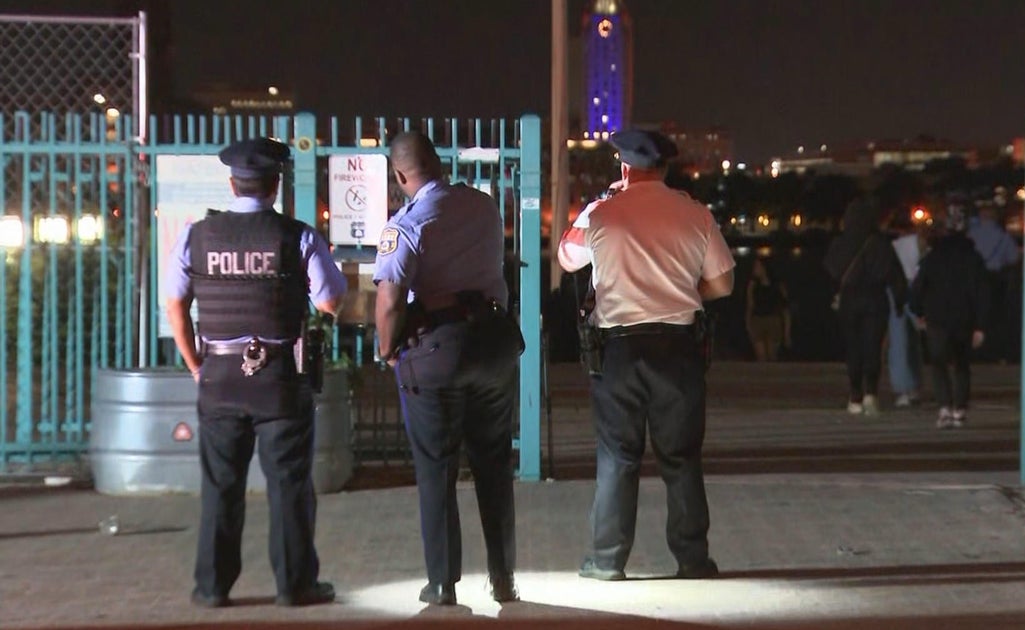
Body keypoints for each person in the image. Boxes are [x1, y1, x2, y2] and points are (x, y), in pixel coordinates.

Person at [163, 137, 346, 608]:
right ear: (275, 185)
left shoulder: (197, 235)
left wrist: (195, 365)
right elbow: (329, 301)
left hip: (219, 378)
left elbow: (175, 303)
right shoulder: (298, 236)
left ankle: (212, 587)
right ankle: (295, 585)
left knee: (221, 487)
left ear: (232, 184)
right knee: (289, 487)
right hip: (279, 381)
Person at [557, 129, 735, 581]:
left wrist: (598, 203)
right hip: (678, 349)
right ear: (665, 168)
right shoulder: (695, 214)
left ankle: (607, 559)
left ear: (624, 167)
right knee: (682, 457)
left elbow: (565, 257)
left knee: (618, 456)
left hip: (618, 351)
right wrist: (677, 291)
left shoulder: (602, 213)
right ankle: (693, 559)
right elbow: (723, 284)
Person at [373, 131, 524, 606]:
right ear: (437, 163)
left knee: (437, 466)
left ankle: (442, 584)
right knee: (494, 464)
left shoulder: (407, 223)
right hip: (495, 344)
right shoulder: (482, 205)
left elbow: (390, 300)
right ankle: (503, 578)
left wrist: (387, 350)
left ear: (399, 176)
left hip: (437, 351)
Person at [823, 197, 908, 415]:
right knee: (873, 347)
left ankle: (855, 395)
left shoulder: (840, 244)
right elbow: (895, 276)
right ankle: (871, 393)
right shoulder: (880, 244)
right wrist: (900, 302)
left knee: (853, 348)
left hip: (850, 301)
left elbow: (830, 272)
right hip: (875, 300)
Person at [910, 206, 991, 428]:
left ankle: (944, 407)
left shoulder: (932, 257)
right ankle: (960, 409)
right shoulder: (973, 258)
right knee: (962, 364)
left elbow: (918, 288)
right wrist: (980, 325)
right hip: (965, 318)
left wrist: (919, 311)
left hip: (937, 317)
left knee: (939, 363)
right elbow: (982, 293)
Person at [967, 203, 1021, 361]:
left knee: (974, 311)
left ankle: (975, 344)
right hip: (995, 278)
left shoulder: (972, 234)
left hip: (976, 276)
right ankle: (992, 347)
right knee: (995, 314)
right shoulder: (1003, 236)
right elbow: (1013, 258)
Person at [887, 215, 924, 407]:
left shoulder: (891, 246)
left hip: (895, 289)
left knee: (899, 340)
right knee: (914, 340)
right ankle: (915, 386)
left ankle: (903, 389)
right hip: (917, 287)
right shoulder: (918, 242)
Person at [746, 257, 790, 361]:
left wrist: (787, 332)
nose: (755, 269)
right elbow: (750, 305)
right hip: (758, 320)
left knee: (772, 356)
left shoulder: (777, 285)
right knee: (761, 356)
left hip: (773, 320)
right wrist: (748, 324)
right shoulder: (753, 285)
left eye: (757, 267)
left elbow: (785, 309)